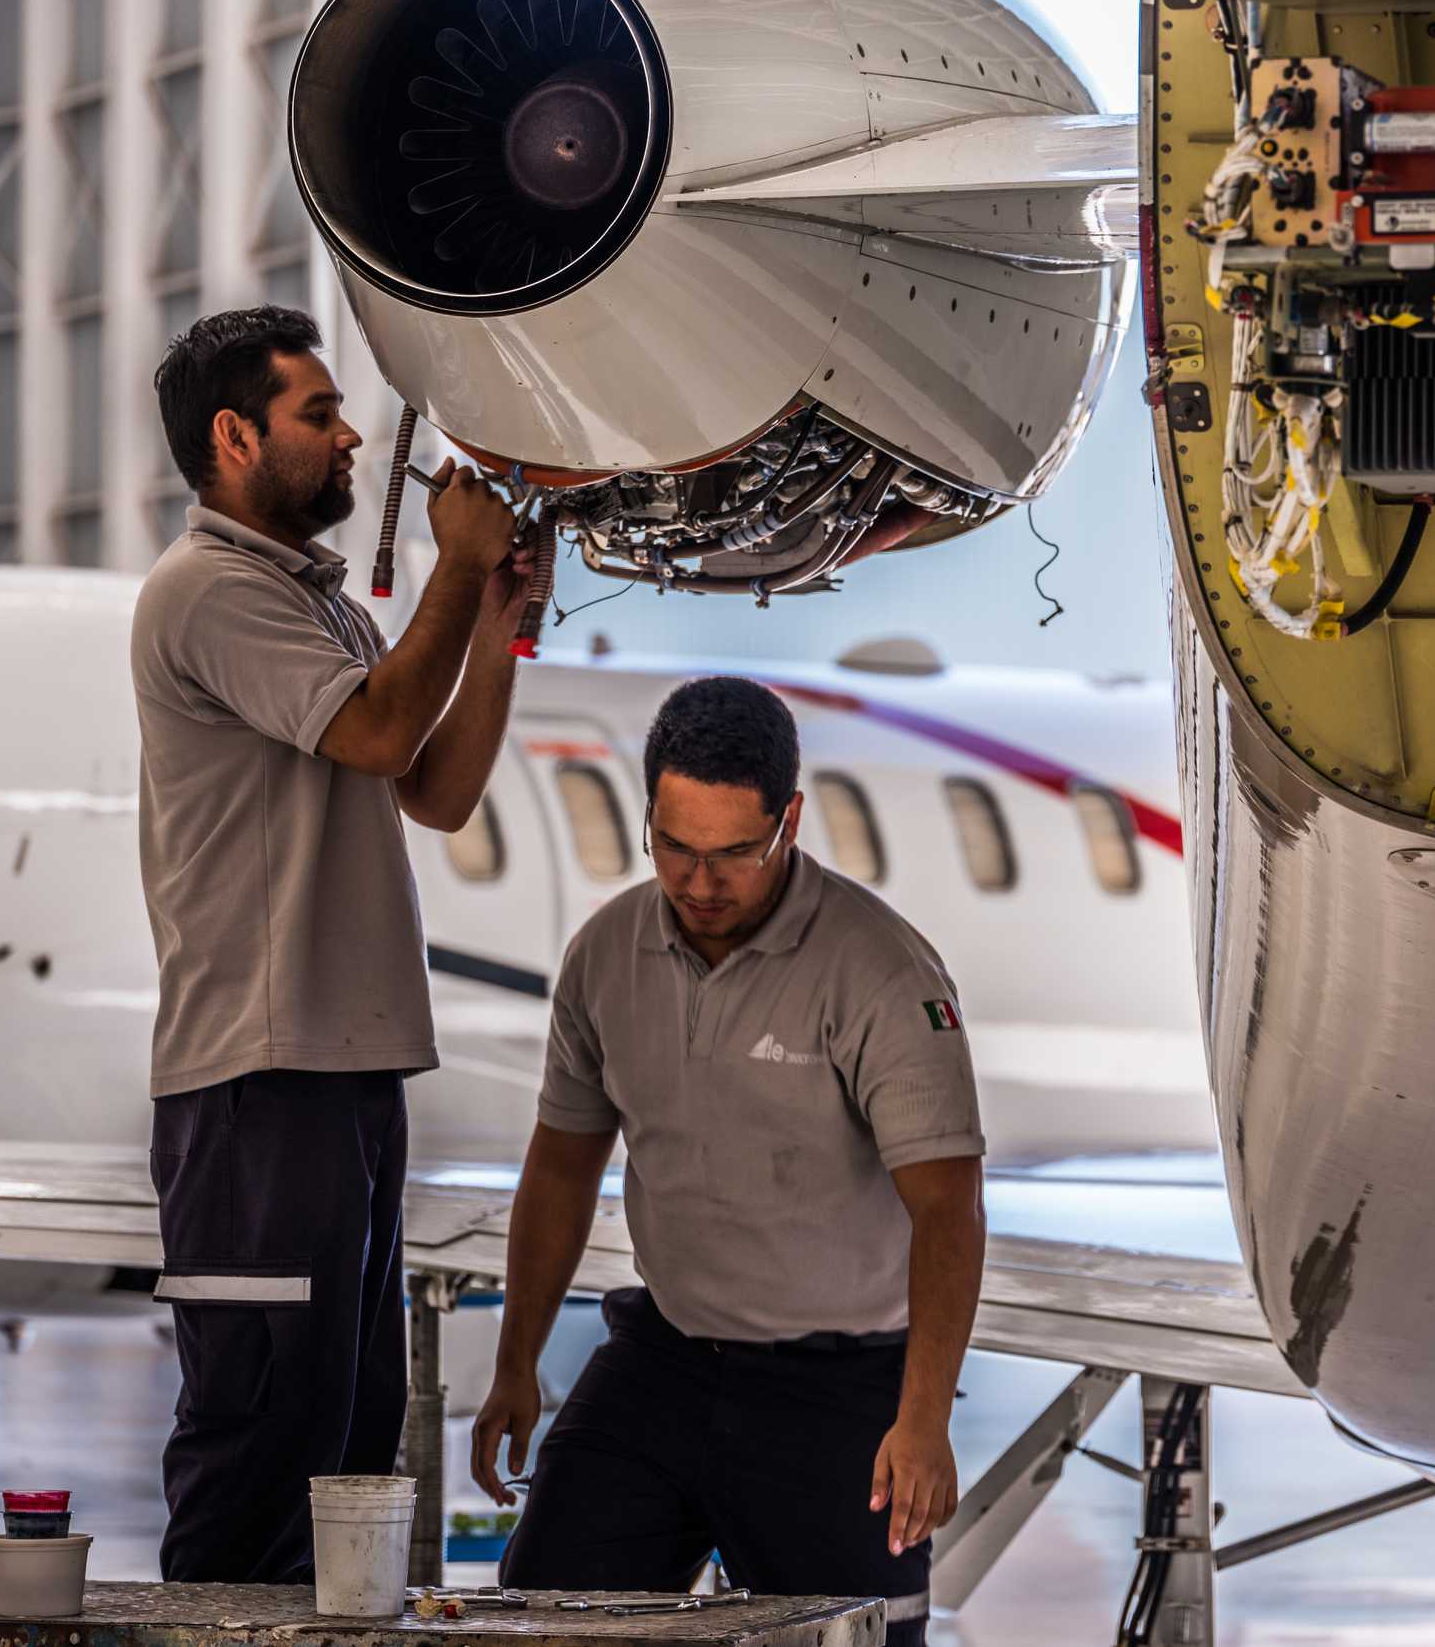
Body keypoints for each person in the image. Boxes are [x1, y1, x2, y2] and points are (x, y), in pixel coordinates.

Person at [132, 304, 525, 1583]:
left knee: (346, 1448)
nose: (355, 434)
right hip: (258, 1083)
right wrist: (456, 570)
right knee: (260, 1443)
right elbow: (371, 735)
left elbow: (434, 787)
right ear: (235, 436)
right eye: (320, 413)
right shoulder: (207, 592)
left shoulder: (316, 606)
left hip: (340, 1076)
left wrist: (500, 619)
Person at [469, 678, 986, 1646]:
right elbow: (562, 1165)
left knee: (853, 1636)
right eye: (675, 847)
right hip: (668, 1354)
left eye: (734, 854)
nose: (701, 882)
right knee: (536, 1617)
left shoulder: (878, 968)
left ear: (789, 820)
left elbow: (948, 1210)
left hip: (838, 1385)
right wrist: (517, 1362)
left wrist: (922, 1421)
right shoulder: (605, 952)